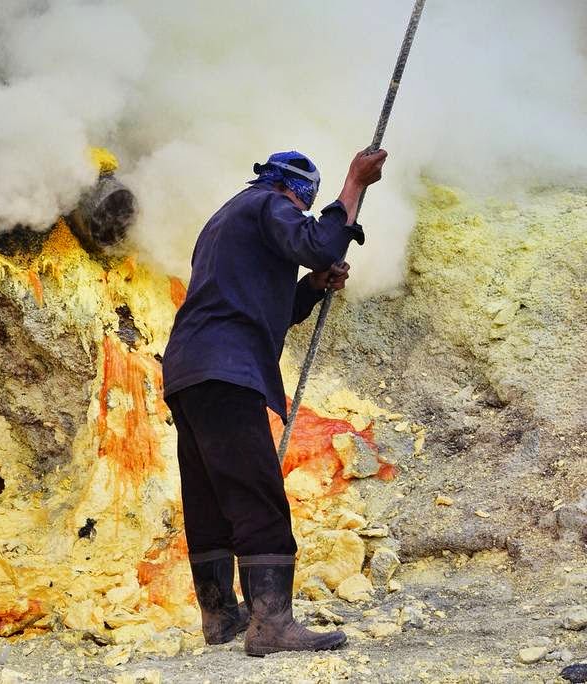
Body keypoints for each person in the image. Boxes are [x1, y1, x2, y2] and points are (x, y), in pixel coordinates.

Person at [162, 148, 387, 655]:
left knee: (211, 496)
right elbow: (318, 242)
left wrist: (310, 287)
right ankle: (271, 625)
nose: (303, 211)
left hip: (190, 369)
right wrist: (353, 185)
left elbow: (263, 308)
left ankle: (220, 618)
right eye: (305, 203)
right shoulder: (267, 204)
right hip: (225, 369)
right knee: (257, 494)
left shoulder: (224, 223)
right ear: (297, 190)